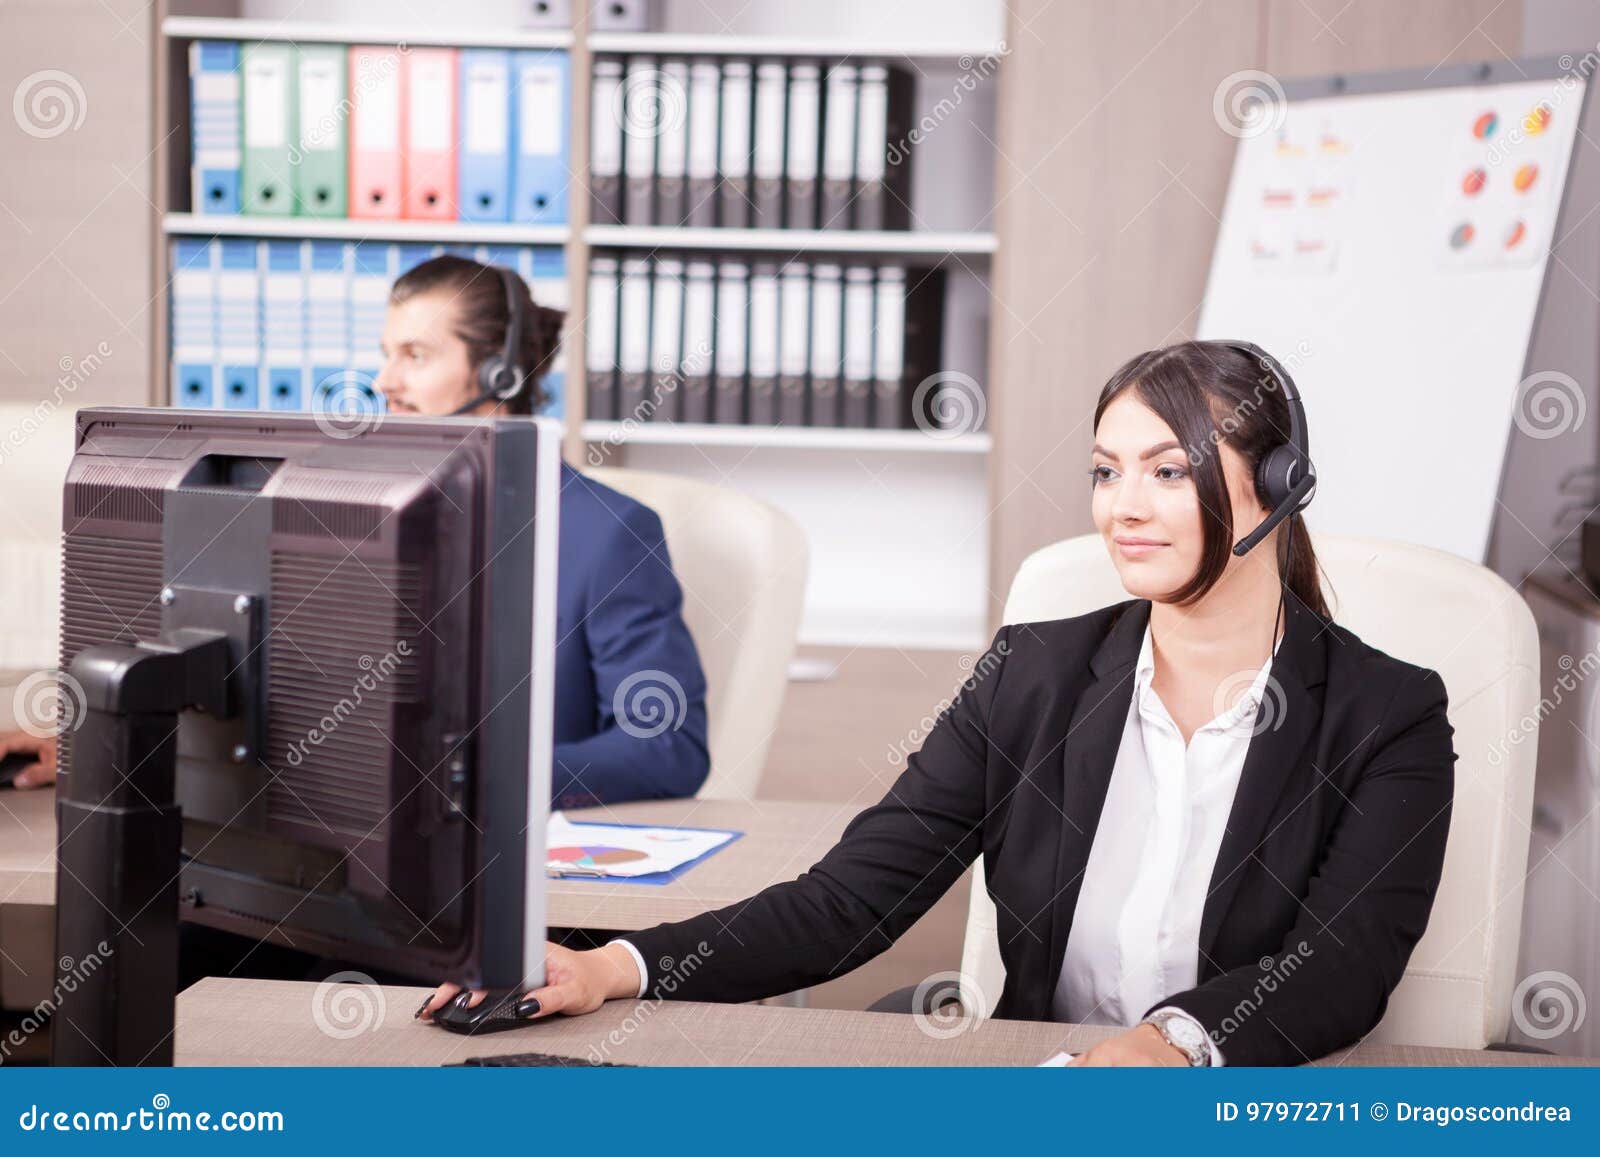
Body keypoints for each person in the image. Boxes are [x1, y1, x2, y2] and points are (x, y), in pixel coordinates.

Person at [421, 339, 1459, 1068]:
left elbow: (1343, 963)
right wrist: (613, 967)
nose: (1123, 508)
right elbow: (850, 899)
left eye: (1168, 470)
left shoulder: (1385, 714)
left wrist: (1169, 1044)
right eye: (1106, 471)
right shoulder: (1034, 672)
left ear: (1279, 484)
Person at [3, 255, 710, 811]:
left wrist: (467, 775)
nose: (384, 379)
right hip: (332, 841)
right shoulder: (343, 516)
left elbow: (668, 747)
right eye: (385, 352)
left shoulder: (606, 532)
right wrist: (111, 749)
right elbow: (280, 698)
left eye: (415, 354)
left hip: (498, 863)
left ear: (500, 371)